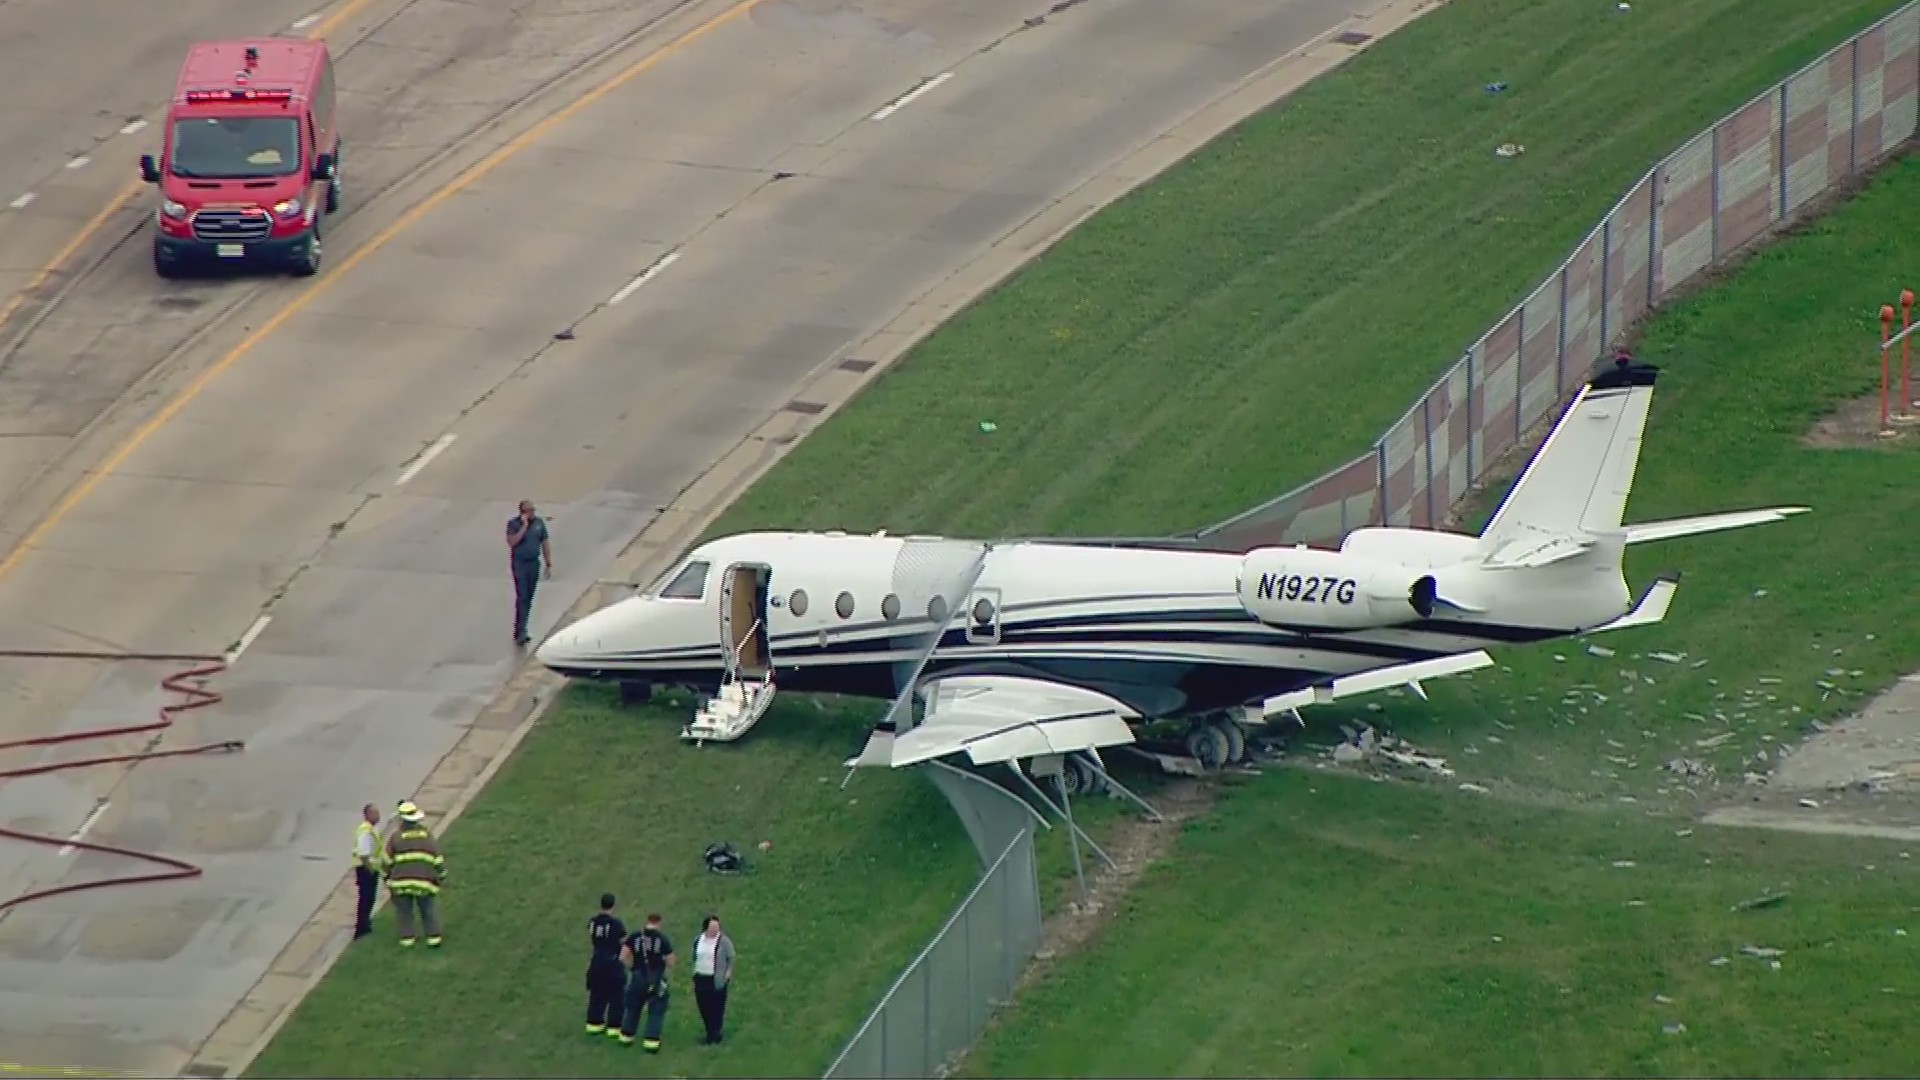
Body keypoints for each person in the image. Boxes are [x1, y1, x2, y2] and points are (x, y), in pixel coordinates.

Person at [383, 800, 446, 948]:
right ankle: (433, 938)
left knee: (404, 912)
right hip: (424, 882)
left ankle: (407, 939)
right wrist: (441, 875)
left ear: (402, 820)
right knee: (427, 910)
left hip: (401, 883)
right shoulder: (427, 836)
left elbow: (386, 861)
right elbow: (437, 859)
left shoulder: (396, 838)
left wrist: (387, 877)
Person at [618, 912, 675, 1051]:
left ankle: (626, 1036)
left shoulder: (635, 936)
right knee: (656, 1009)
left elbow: (622, 956)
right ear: (659, 923)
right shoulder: (662, 939)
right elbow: (671, 960)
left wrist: (632, 967)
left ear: (647, 921)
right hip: (655, 978)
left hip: (637, 977)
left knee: (633, 1007)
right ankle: (651, 1042)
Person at [505, 500, 553, 646]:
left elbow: (544, 542)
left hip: (534, 563)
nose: (533, 513)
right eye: (529, 511)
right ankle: (521, 631)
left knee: (529, 597)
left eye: (533, 510)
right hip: (520, 564)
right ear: (523, 512)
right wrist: (524, 526)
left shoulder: (539, 523)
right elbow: (512, 542)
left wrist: (548, 562)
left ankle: (521, 627)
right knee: (522, 596)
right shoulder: (513, 524)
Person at [585, 893, 628, 1037]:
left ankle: (594, 1023)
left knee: (596, 992)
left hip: (596, 960)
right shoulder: (616, 924)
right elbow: (623, 942)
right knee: (616, 994)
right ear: (613, 905)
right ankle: (614, 1026)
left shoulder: (593, 922)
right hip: (612, 961)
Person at [691, 914, 736, 1045]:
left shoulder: (723, 941)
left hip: (716, 979)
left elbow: (731, 957)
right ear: (706, 928)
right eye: (712, 927)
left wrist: (728, 973)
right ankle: (709, 1031)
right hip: (700, 977)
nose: (715, 929)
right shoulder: (698, 940)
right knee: (703, 1006)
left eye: (717, 926)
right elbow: (695, 955)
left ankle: (715, 1035)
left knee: (716, 1007)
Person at [351, 803, 383, 940]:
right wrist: (370, 870)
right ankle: (362, 928)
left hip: (367, 869)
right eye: (375, 813)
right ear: (367, 815)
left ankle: (365, 924)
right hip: (366, 870)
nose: (378, 816)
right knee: (366, 899)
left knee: (368, 899)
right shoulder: (366, 832)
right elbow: (364, 854)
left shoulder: (370, 829)